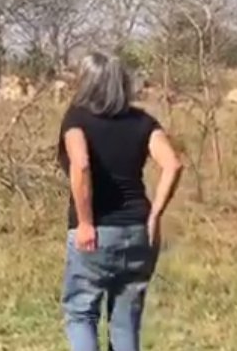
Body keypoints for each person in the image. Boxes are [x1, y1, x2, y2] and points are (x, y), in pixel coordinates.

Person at [56, 52, 183, 351]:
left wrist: (85, 222)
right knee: (126, 319)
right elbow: (173, 164)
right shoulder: (143, 121)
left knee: (81, 312)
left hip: (97, 232)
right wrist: (155, 215)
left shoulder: (76, 119)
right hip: (140, 232)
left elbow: (81, 163)